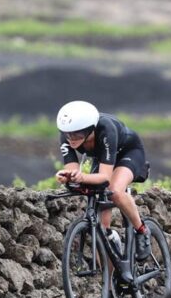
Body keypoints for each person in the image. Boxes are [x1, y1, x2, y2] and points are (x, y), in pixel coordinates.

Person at [55, 100, 152, 262]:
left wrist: (83, 177)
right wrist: (66, 176)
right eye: (68, 134)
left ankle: (142, 230)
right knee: (100, 231)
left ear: (90, 129)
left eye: (77, 134)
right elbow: (72, 170)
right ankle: (111, 282)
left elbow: (105, 178)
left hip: (128, 152)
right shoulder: (67, 135)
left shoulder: (106, 129)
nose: (71, 139)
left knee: (114, 190)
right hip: (103, 158)